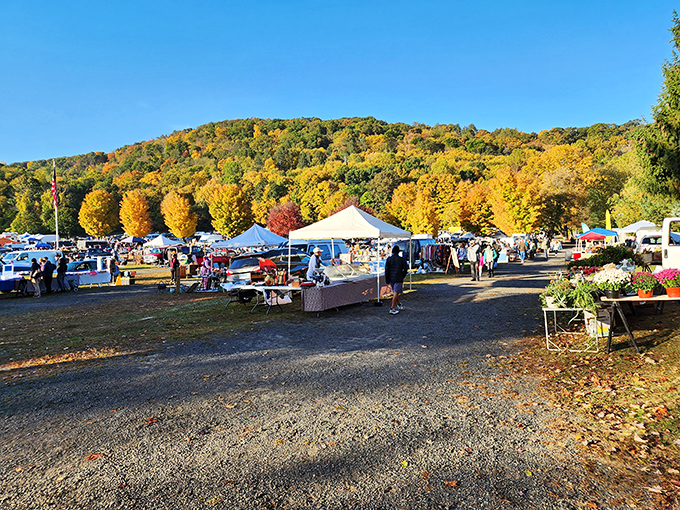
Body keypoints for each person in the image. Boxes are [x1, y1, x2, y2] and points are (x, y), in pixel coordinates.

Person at [384, 245, 408, 315]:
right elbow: (405, 269)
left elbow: (387, 270)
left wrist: (387, 279)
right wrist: (403, 275)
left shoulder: (389, 259)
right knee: (395, 293)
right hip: (398, 277)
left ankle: (399, 304)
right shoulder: (401, 259)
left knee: (395, 292)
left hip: (391, 278)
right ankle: (392, 308)